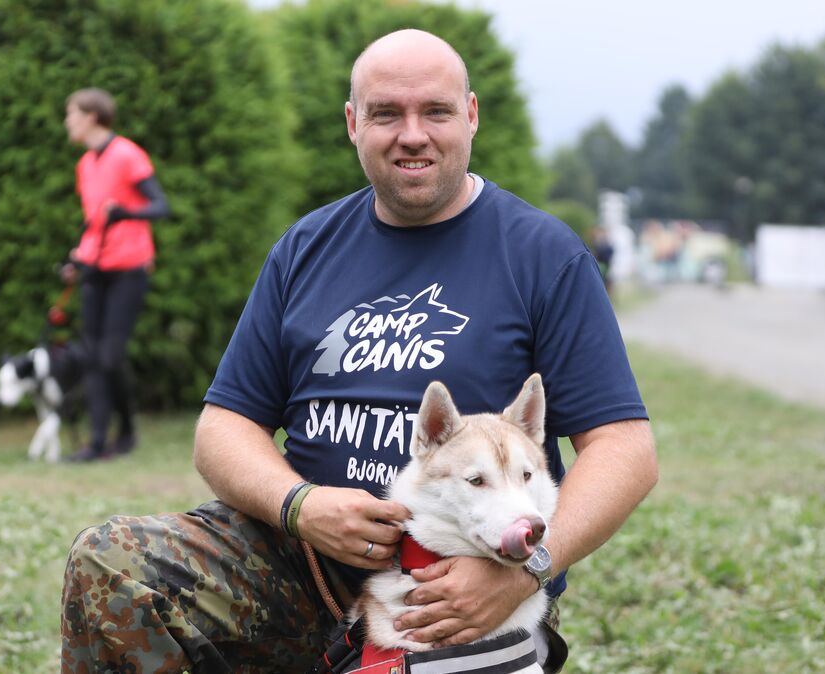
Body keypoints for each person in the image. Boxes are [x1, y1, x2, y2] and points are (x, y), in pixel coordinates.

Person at [60, 30, 657, 673]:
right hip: (300, 567)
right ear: (353, 123)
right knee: (112, 561)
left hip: (460, 584)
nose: (412, 135)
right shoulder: (305, 248)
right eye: (385, 113)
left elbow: (624, 449)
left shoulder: (543, 256)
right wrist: (301, 506)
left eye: (436, 111)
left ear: (471, 115)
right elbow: (221, 430)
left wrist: (526, 570)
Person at [59, 88, 170, 462]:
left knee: (109, 356)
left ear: (91, 116)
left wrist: (126, 213)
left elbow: (160, 205)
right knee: (93, 357)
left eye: (71, 114)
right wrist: (77, 258)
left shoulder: (126, 154)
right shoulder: (85, 164)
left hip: (129, 268)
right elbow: (94, 222)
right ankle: (96, 443)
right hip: (95, 267)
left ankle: (125, 431)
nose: (67, 121)